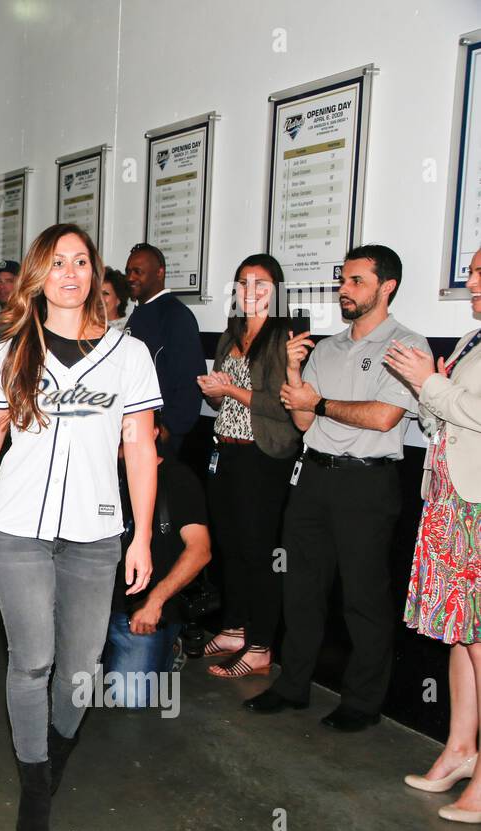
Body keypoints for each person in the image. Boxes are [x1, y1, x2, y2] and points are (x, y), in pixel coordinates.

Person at [0, 224, 161, 831]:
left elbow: (140, 446)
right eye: (58, 262)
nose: (71, 272)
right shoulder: (13, 350)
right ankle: (35, 787)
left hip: (96, 533)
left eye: (82, 261)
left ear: (95, 273)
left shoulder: (128, 354)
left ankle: (54, 750)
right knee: (31, 661)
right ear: (40, 274)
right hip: (16, 530)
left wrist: (142, 535)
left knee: (81, 672)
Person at [246, 245, 430, 731]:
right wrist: (290, 371)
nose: (343, 289)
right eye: (342, 280)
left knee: (362, 597)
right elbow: (304, 420)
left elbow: (384, 416)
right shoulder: (326, 348)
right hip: (313, 477)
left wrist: (319, 400)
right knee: (302, 589)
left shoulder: (408, 346)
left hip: (366, 484)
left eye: (355, 281)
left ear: (386, 286)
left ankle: (363, 703)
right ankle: (292, 686)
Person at [386, 247, 481, 821]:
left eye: (479, 271)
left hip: (478, 507)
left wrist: (432, 385)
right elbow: (445, 417)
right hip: (449, 500)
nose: (470, 281)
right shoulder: (472, 339)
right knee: (459, 632)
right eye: (470, 270)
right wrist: (427, 390)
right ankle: (461, 748)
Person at [196, 255, 301, 678]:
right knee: (229, 545)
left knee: (260, 552)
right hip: (226, 450)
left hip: (264, 455)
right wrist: (215, 392)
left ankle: (261, 647)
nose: (251, 291)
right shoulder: (230, 335)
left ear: (277, 290)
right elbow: (219, 399)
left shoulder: (284, 337)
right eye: (243, 283)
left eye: (261, 284)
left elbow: (284, 404)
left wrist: (233, 391)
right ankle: (236, 628)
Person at [103, 410, 211, 704]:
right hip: (92, 607)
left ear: (156, 433)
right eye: (123, 425)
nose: (129, 433)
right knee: (67, 682)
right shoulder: (98, 474)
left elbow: (200, 551)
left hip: (142, 611)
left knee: (128, 698)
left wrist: (155, 601)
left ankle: (169, 646)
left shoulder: (177, 478)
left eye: (138, 425)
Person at [124, 242, 204, 456]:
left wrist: (168, 429)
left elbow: (191, 381)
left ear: (159, 273)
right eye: (128, 271)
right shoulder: (138, 314)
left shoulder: (176, 315)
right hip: (133, 428)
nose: (130, 277)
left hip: (158, 438)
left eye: (137, 271)